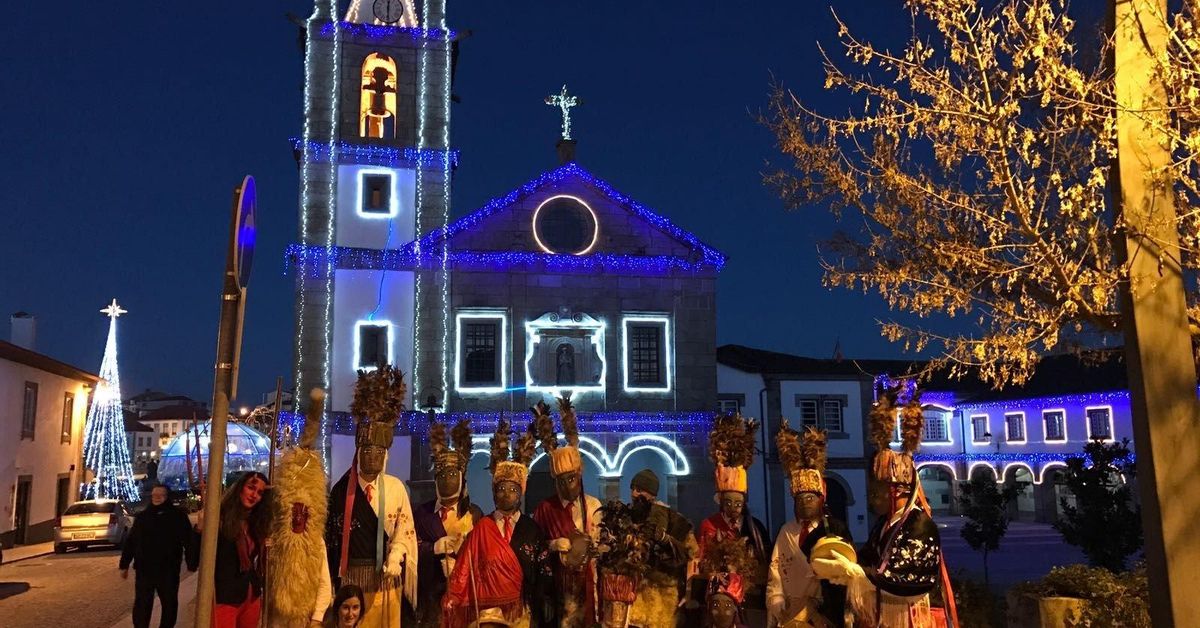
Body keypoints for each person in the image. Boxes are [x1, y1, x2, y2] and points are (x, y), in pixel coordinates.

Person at [812, 388, 943, 627]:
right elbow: (866, 559)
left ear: (895, 491)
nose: (871, 500)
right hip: (880, 614)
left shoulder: (920, 525)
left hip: (907, 616)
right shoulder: (884, 525)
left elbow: (912, 580)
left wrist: (859, 573)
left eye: (875, 492)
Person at [327, 366, 419, 628]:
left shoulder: (395, 487)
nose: (373, 457)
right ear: (358, 453)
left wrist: (397, 554)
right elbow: (331, 537)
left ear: (386, 455)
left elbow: (406, 529)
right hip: (352, 578)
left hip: (386, 579)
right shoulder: (341, 491)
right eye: (367, 450)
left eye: (379, 452)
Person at [442, 419, 553, 627]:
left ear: (521, 494)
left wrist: (544, 600)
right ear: (494, 493)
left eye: (512, 490)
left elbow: (543, 570)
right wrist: (454, 595)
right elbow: (465, 564)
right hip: (486, 614)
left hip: (520, 610)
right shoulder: (483, 526)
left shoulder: (532, 529)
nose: (506, 495)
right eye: (501, 489)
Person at [767, 424, 853, 628]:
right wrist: (776, 599)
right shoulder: (786, 531)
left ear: (821, 500)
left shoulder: (834, 528)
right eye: (801, 498)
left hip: (824, 611)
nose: (805, 502)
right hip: (790, 611)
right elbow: (775, 569)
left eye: (811, 497)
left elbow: (847, 569)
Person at [530, 397, 603, 628]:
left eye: (571, 479)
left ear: (579, 476)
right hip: (557, 588)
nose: (566, 486)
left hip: (588, 585)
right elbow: (533, 548)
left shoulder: (593, 506)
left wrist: (596, 547)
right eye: (560, 481)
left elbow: (605, 545)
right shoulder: (545, 508)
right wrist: (552, 545)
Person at [696, 413, 771, 623]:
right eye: (728, 502)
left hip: (750, 595)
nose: (734, 508)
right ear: (721, 501)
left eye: (738, 503)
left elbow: (762, 559)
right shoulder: (709, 525)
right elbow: (703, 558)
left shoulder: (754, 528)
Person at [269, 388, 333, 627]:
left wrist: (316, 618)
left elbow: (325, 583)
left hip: (304, 619)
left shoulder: (316, 543)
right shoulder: (276, 538)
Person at [413, 418, 484, 627]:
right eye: (442, 475)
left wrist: (462, 559)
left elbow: (483, 555)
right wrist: (432, 548)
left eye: (452, 474)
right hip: (431, 598)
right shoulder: (422, 513)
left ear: (462, 479)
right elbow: (409, 548)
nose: (446, 480)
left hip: (466, 597)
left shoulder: (474, 514)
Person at [119, 483, 198, 628]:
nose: (156, 498)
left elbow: (188, 540)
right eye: (154, 495)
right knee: (142, 603)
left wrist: (192, 562)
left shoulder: (177, 517)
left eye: (160, 495)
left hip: (168, 568)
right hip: (145, 568)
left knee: (169, 602)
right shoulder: (143, 517)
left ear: (166, 497)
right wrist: (124, 564)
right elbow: (132, 541)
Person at [626, 469, 696, 627]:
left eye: (639, 490)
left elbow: (688, 553)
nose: (634, 494)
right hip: (634, 594)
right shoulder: (627, 517)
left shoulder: (672, 519)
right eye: (632, 489)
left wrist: (664, 539)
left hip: (663, 596)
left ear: (652, 494)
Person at [213, 471, 271, 628]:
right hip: (225, 596)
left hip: (251, 594)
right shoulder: (220, 518)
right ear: (240, 487)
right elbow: (197, 558)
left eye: (259, 493)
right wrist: (199, 531)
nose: (254, 495)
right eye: (251, 488)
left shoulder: (256, 522)